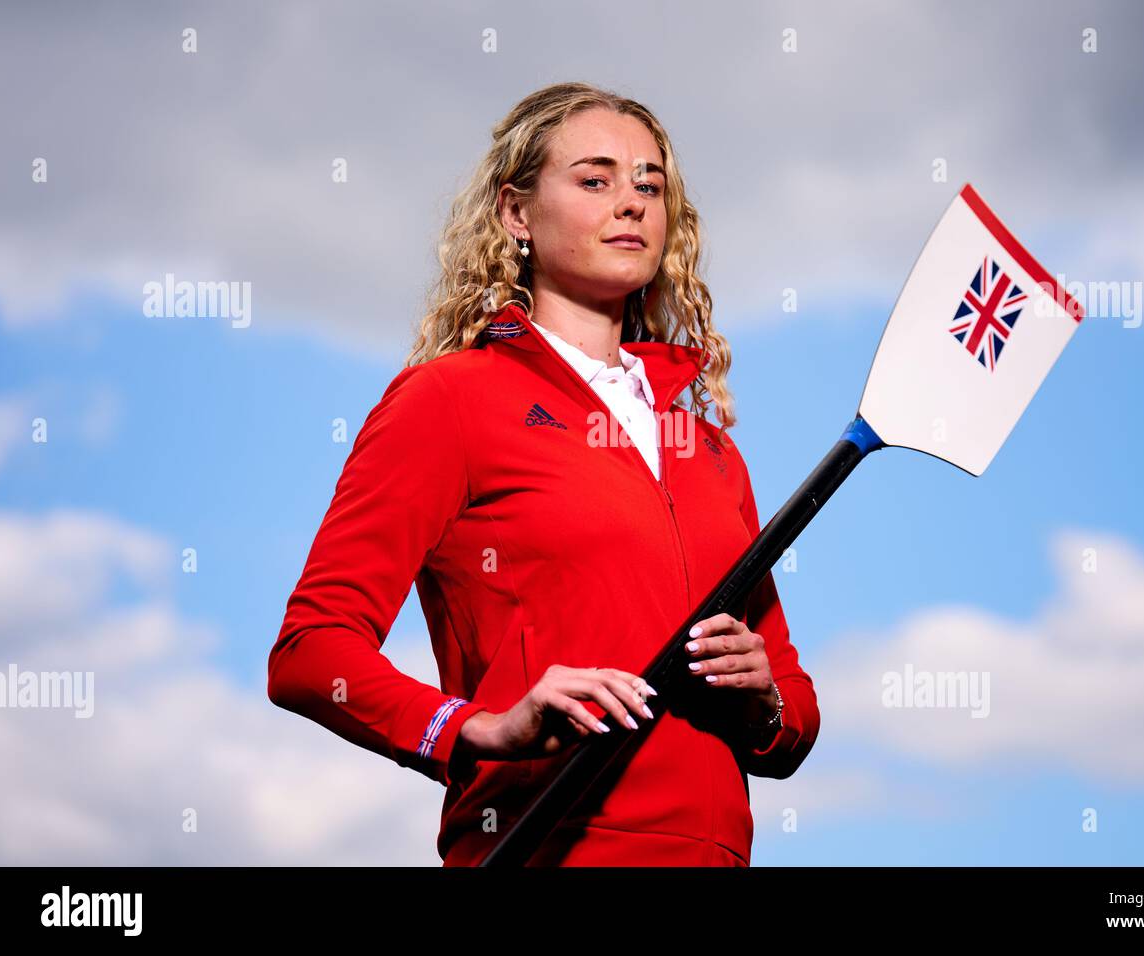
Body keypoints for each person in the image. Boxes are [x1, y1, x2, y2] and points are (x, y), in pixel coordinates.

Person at [267, 81, 820, 866]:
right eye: (595, 180)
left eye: (649, 185)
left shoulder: (710, 449)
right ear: (515, 214)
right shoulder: (449, 401)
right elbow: (310, 652)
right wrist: (473, 728)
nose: (631, 203)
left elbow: (793, 712)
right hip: (542, 846)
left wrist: (763, 699)